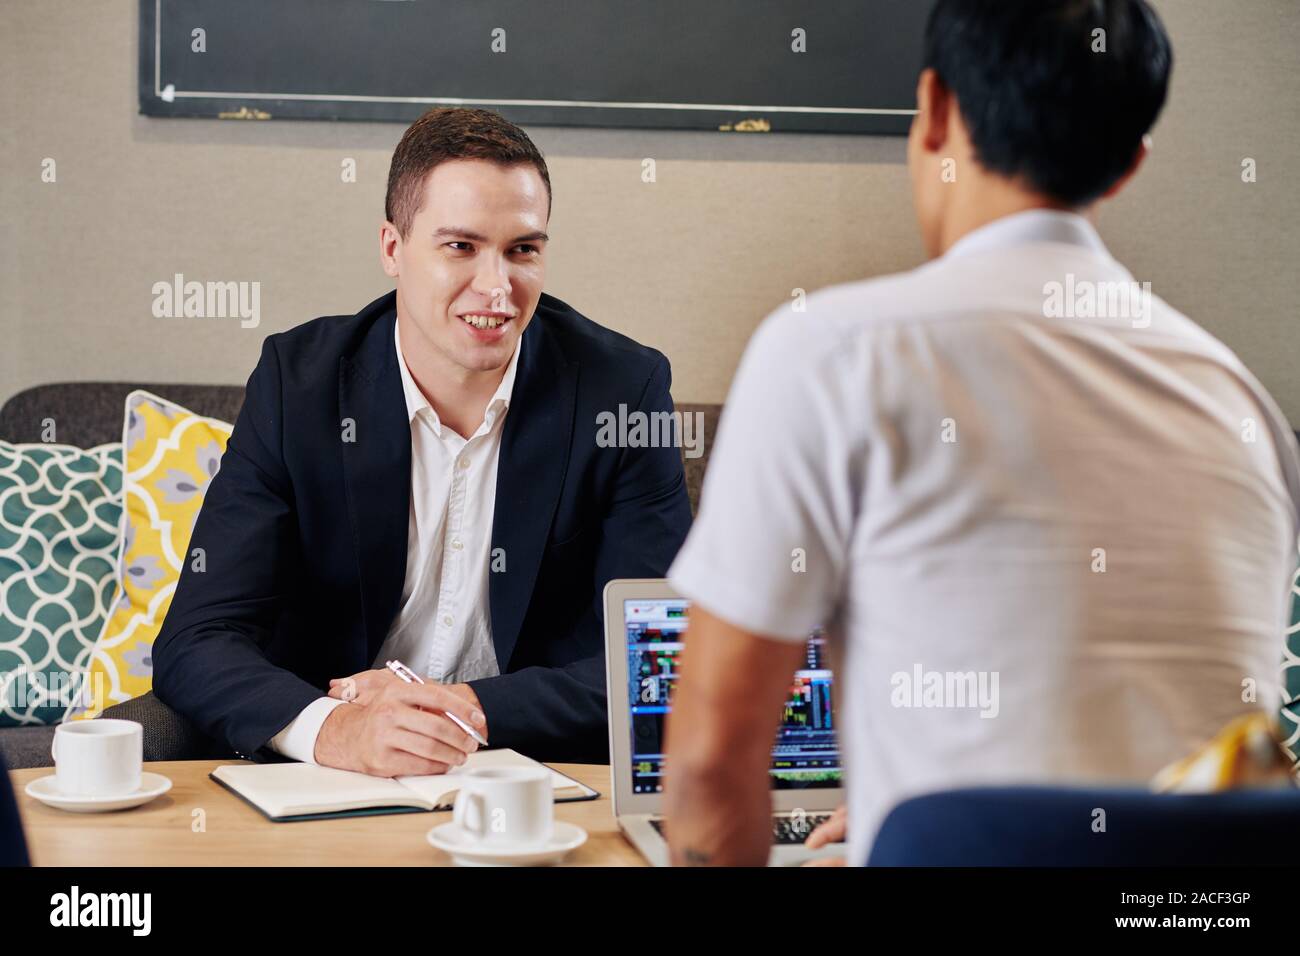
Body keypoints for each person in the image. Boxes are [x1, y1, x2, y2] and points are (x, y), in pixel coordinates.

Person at [662, 0, 1300, 866]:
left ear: (936, 109)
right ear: (1128, 165)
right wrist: (906, 812)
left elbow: (705, 769)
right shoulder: (1244, 404)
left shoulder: (830, 354)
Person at [153, 108, 692, 774]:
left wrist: (463, 707)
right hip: (326, 777)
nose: (497, 289)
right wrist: (337, 731)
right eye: (461, 246)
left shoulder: (625, 392)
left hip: (529, 774)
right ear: (392, 249)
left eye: (523, 249)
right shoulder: (300, 387)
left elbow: (657, 662)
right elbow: (198, 639)